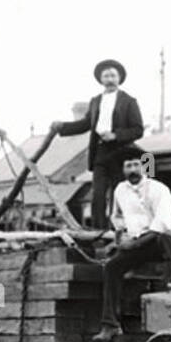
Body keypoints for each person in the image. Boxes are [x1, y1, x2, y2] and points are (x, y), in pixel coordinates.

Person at [93, 157, 171, 342]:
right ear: (123, 169)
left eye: (136, 165)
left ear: (144, 167)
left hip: (157, 240)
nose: (132, 169)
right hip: (135, 241)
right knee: (111, 267)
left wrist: (135, 244)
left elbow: (163, 222)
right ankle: (110, 324)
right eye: (128, 166)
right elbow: (116, 217)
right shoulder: (120, 190)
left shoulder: (158, 189)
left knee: (168, 242)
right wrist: (119, 239)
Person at [50, 59, 144, 231]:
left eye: (113, 75)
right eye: (106, 75)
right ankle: (99, 233)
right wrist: (62, 127)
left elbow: (138, 130)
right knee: (98, 194)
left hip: (121, 153)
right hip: (100, 152)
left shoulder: (129, 101)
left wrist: (116, 135)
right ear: (101, 79)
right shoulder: (95, 101)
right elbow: (85, 124)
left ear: (119, 78)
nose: (110, 79)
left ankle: (121, 231)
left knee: (119, 193)